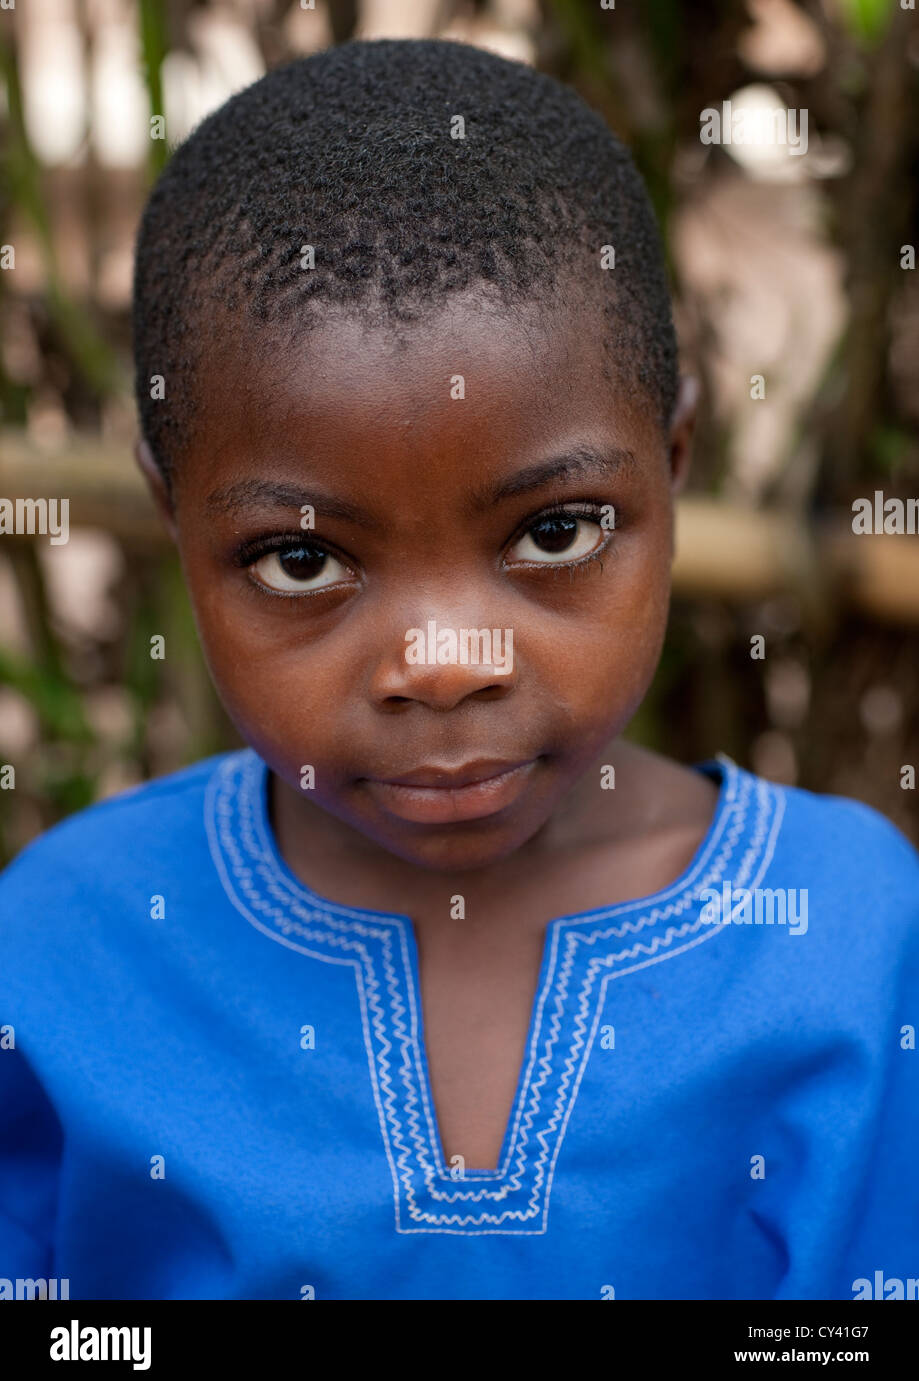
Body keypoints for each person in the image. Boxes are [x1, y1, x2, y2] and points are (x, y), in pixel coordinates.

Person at [1, 38, 917, 1301]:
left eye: (553, 534)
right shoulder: (64, 948)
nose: (442, 667)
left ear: (675, 460)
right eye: (302, 561)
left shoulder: (849, 935)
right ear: (176, 521)